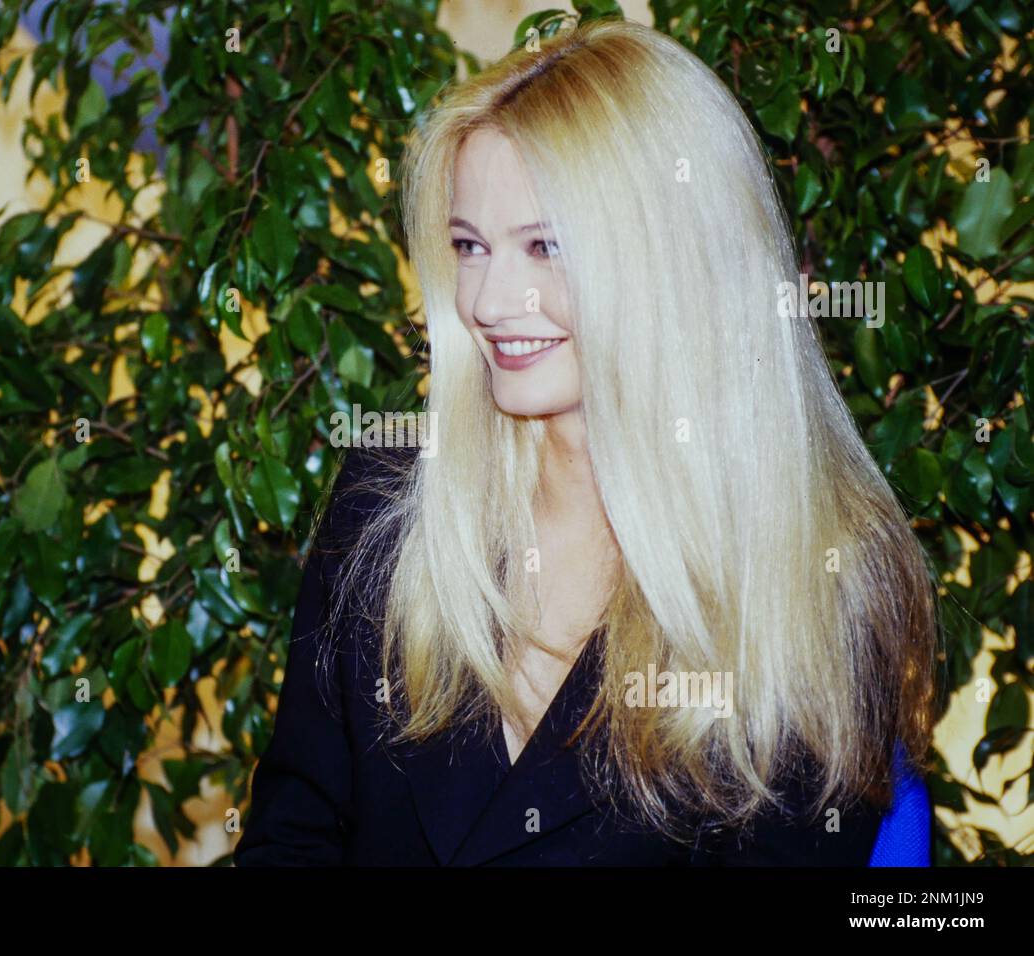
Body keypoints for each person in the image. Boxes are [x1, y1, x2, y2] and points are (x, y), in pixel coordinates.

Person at [233, 17, 938, 866]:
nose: (491, 300)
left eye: (546, 247)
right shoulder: (388, 498)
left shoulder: (813, 575)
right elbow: (295, 827)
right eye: (470, 246)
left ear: (676, 255)